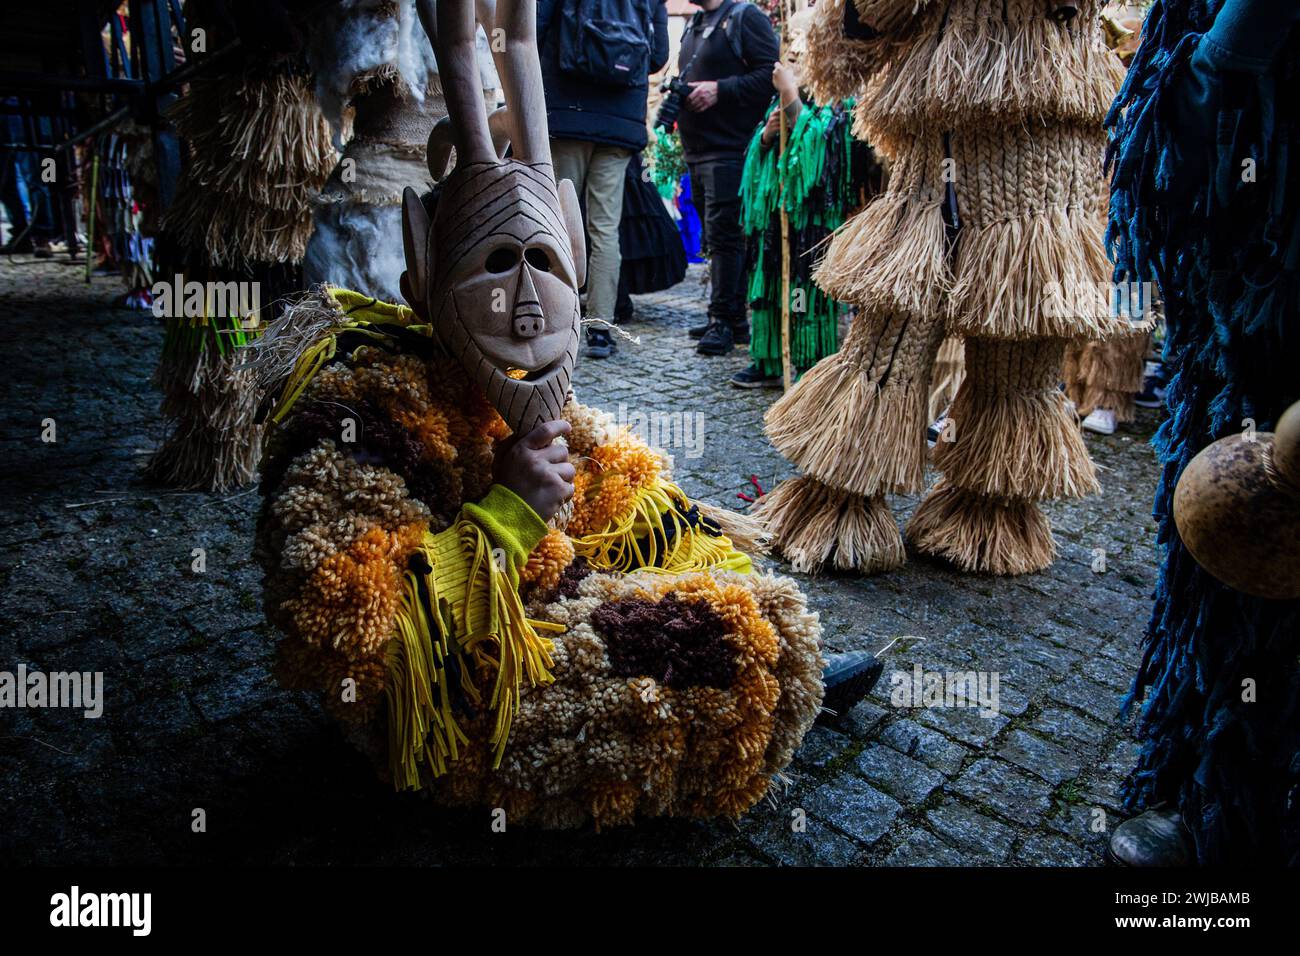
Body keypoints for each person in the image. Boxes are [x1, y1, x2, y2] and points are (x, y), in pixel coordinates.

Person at [1104, 0, 1300, 866]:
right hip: (1241, 287)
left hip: (1270, 268)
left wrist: (1222, 66)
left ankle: (1233, 815)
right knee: (1241, 520)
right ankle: (1222, 798)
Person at [537, 0, 669, 359]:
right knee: (605, 229)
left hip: (567, 115)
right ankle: (600, 329)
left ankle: (552, 319)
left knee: (558, 223)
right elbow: (658, 56)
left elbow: (534, 32)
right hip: (621, 122)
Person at [675, 0, 779, 356]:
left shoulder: (745, 16)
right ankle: (732, 319)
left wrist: (720, 89)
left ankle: (723, 319)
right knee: (716, 235)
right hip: (699, 150)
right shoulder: (696, 23)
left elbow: (771, 74)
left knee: (725, 237)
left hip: (730, 148)